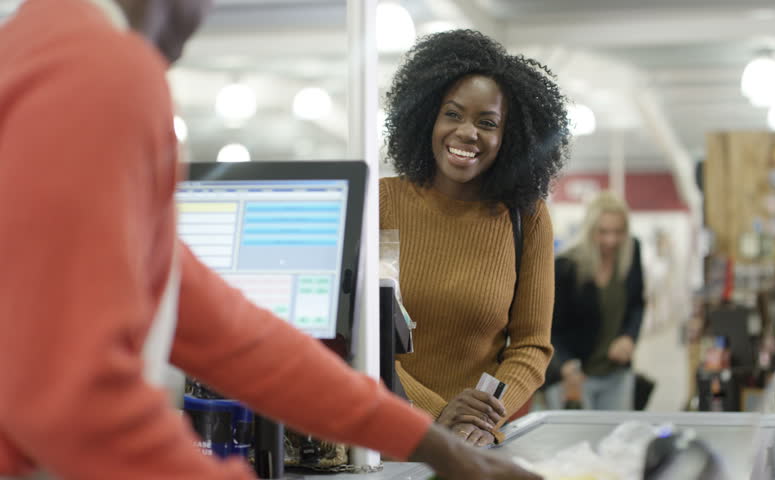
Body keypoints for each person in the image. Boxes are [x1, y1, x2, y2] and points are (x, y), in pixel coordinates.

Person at [0, 2, 540, 479]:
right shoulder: (107, 69)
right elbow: (72, 403)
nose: (207, 13)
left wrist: (436, 448)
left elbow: (228, 332)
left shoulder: (39, 42)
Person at [380, 30, 571, 446]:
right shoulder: (379, 204)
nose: (467, 132)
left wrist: (478, 421)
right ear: (428, 117)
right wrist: (436, 415)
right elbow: (361, 339)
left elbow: (531, 346)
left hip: (473, 446)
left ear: (509, 138)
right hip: (383, 443)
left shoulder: (528, 218)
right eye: (453, 114)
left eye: (487, 123)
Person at [547, 192, 645, 411]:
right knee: (577, 442)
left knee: (617, 440)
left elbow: (637, 304)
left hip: (617, 374)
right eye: (603, 232)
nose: (611, 240)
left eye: (618, 232)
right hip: (576, 375)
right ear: (590, 230)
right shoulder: (566, 266)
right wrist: (565, 364)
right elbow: (549, 328)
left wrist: (629, 337)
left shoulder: (632, 252)